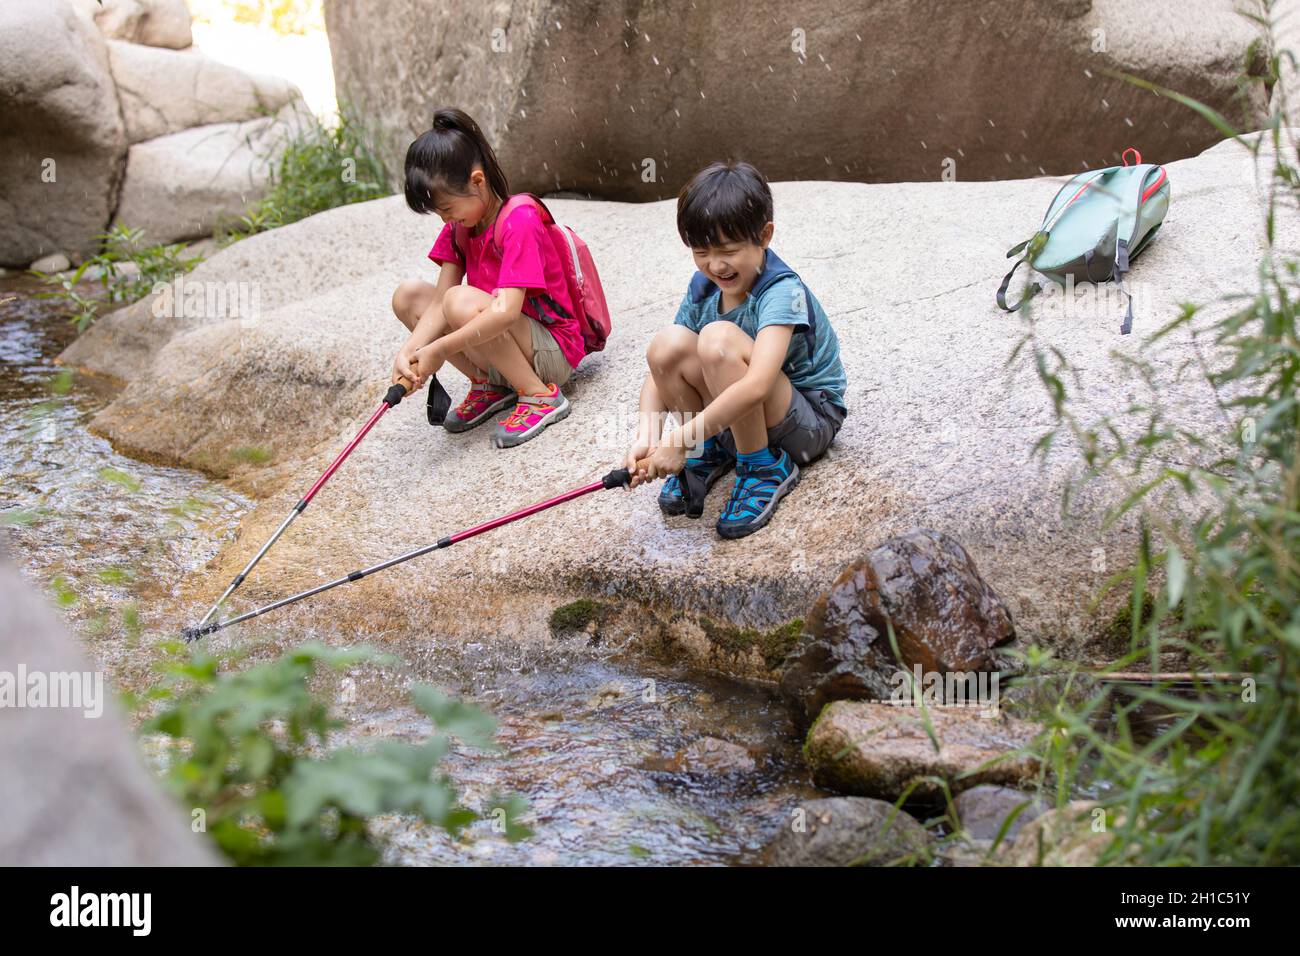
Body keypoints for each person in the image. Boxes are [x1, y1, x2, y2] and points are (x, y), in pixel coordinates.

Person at [624, 160, 848, 538]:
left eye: (728, 249)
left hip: (807, 421)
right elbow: (660, 373)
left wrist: (680, 438)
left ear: (764, 235)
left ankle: (762, 466)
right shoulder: (704, 287)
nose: (716, 265)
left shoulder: (780, 291)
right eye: (701, 252)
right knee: (667, 345)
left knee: (718, 341)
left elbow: (758, 384)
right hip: (740, 415)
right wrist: (649, 436)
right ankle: (708, 449)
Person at [391, 108, 585, 448]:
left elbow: (507, 312)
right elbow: (437, 303)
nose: (444, 221)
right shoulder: (460, 228)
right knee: (408, 296)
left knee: (460, 301)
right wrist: (410, 351)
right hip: (504, 344)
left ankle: (539, 395)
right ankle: (489, 385)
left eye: (447, 210)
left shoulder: (519, 219)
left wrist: (438, 349)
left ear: (478, 181)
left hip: (551, 351)